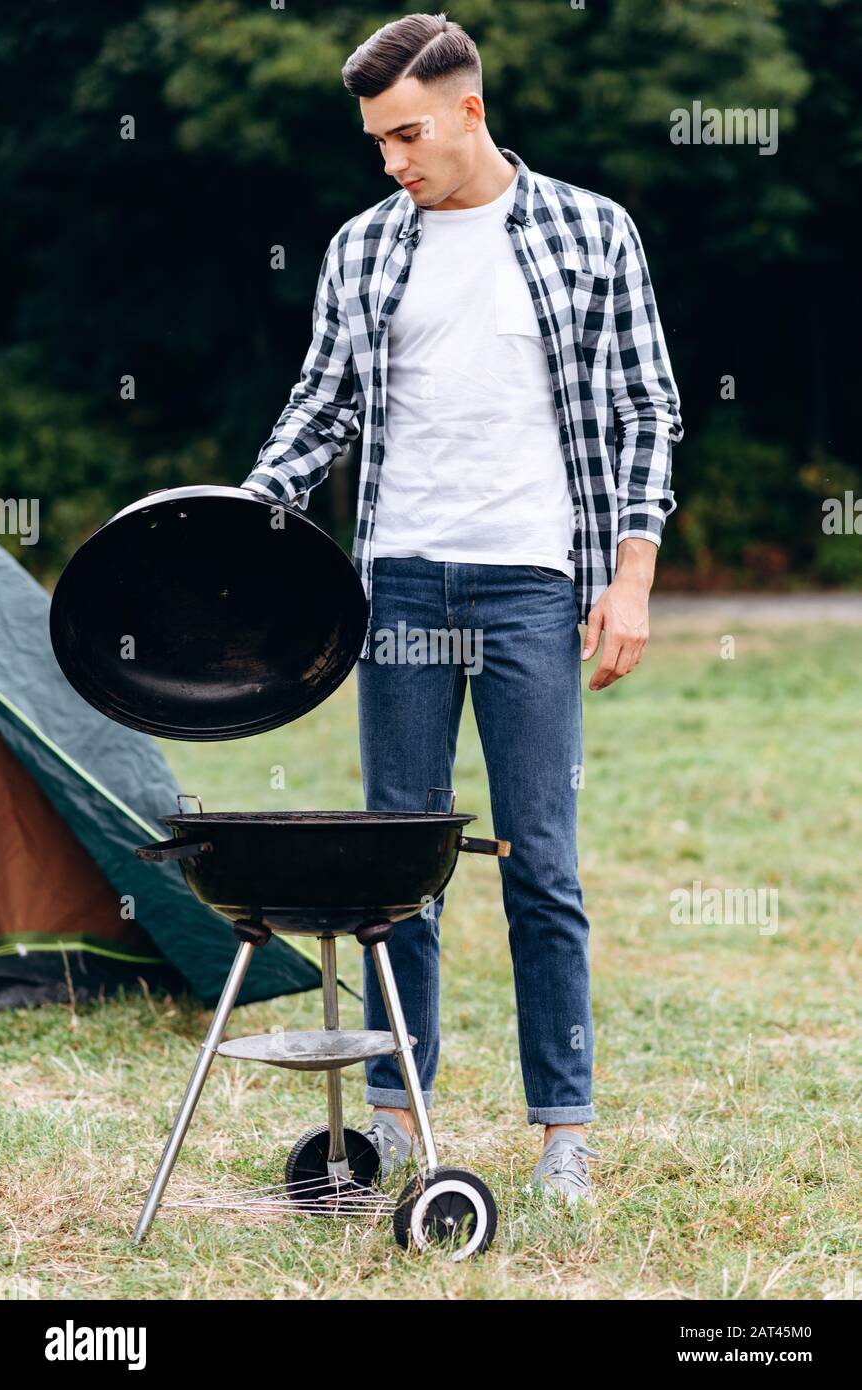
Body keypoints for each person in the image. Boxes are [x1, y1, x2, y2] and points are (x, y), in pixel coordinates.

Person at [243, 12, 683, 1208]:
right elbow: (318, 408)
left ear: (470, 110)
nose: (394, 160)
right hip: (400, 584)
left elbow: (649, 411)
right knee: (400, 862)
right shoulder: (365, 248)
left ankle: (564, 1136)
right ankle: (394, 1119)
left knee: (541, 859)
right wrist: (244, 515)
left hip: (532, 579)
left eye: (409, 134)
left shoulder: (591, 231)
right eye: (378, 141)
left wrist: (630, 578)